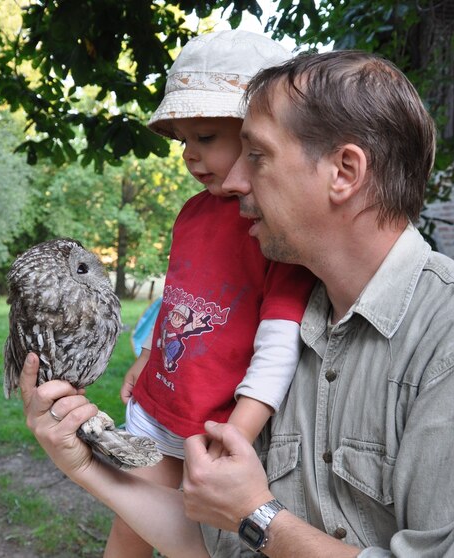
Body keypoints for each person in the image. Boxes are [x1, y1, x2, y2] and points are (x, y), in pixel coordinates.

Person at [20, 49, 454, 557]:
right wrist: (85, 465)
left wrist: (259, 517)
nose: (235, 182)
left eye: (256, 156)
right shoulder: (271, 339)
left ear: (343, 171)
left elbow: (246, 520)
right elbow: (213, 538)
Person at [107, 30, 316, 557]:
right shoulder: (192, 214)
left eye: (206, 138)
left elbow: (278, 343)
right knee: (131, 522)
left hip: (215, 427)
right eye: (184, 142)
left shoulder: (276, 228)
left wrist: (237, 434)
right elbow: (176, 297)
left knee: (199, 540)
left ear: (253, 137)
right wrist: (150, 356)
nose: (190, 157)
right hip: (158, 406)